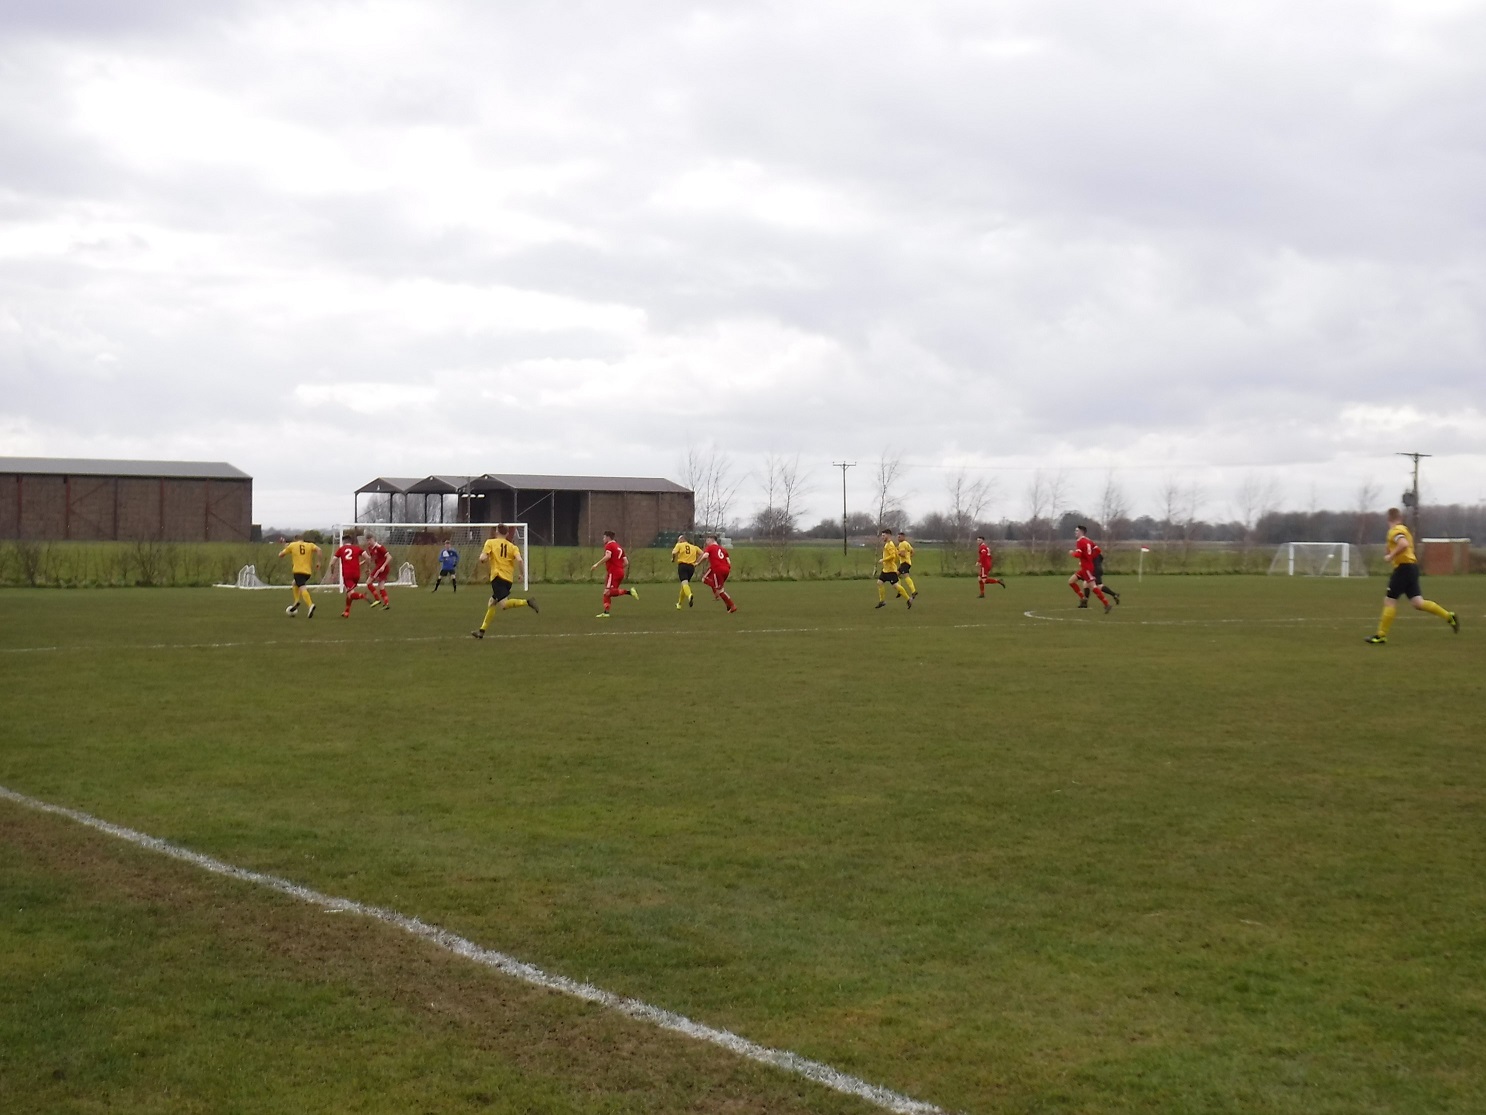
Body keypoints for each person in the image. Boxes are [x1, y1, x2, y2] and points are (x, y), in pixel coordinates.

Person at [1366, 507, 1458, 644]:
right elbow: (1405, 544)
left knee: (1390, 600)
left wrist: (1391, 555)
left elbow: (1403, 544)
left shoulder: (1395, 531)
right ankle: (1448, 616)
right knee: (1418, 603)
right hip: (1412, 567)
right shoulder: (1404, 529)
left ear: (1388, 519)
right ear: (1400, 518)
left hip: (1403, 568)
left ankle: (1381, 635)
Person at [471, 524, 538, 638]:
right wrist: (521, 574)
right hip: (508, 580)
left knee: (504, 605)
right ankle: (481, 632)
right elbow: (520, 561)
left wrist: (484, 559)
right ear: (507, 534)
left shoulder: (490, 542)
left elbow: (482, 558)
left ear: (496, 531)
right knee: (492, 602)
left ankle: (527, 602)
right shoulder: (513, 547)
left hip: (497, 577)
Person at [590, 530, 638, 618]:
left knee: (607, 592)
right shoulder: (619, 547)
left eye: (604, 537)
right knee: (608, 592)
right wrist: (619, 568)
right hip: (620, 572)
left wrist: (596, 564)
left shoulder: (609, 545)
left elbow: (608, 556)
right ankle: (606, 612)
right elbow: (626, 562)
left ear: (608, 538)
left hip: (613, 572)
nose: (603, 539)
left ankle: (629, 592)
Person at [1069, 525, 1114, 613]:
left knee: (1093, 586)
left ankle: (1106, 604)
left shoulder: (1080, 541)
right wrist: (1089, 557)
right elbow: (1098, 550)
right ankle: (1083, 598)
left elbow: (1078, 554)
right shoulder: (1088, 540)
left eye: (1077, 531)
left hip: (1087, 568)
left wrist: (1072, 553)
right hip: (1085, 567)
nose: (1075, 532)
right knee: (1071, 581)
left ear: (1081, 532)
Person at [278, 534, 321, 618]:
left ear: (295, 539)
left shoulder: (293, 545)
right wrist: (319, 562)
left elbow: (281, 555)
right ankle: (296, 601)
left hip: (298, 571)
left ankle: (310, 605)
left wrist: (283, 551)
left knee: (302, 587)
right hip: (308, 572)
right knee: (294, 583)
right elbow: (319, 550)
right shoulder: (309, 545)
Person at [697, 533, 738, 613]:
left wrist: (698, 563)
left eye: (707, 540)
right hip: (726, 569)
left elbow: (705, 556)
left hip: (718, 570)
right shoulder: (723, 549)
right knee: (705, 579)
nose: (706, 541)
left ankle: (732, 606)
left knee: (720, 590)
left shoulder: (710, 547)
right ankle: (719, 596)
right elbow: (729, 562)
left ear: (712, 540)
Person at [332, 536, 370, 618]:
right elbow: (367, 557)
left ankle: (362, 596)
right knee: (349, 593)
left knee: (351, 593)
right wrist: (367, 567)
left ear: (343, 541)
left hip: (347, 574)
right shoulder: (357, 548)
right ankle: (346, 612)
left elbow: (332, 562)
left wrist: (332, 572)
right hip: (356, 574)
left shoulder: (341, 549)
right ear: (351, 541)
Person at [875, 528, 912, 609]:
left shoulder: (890, 545)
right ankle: (882, 601)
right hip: (886, 569)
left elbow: (893, 556)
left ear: (888, 535)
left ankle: (908, 599)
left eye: (883, 536)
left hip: (891, 570)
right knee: (879, 583)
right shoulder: (887, 544)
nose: (882, 537)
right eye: (882, 536)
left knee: (895, 586)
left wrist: (883, 560)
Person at [671, 532, 703, 609]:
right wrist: (697, 562)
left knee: (684, 583)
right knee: (684, 585)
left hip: (683, 566)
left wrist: (673, 559)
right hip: (691, 567)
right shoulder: (694, 547)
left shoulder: (679, 545)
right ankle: (679, 604)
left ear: (681, 540)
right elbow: (703, 554)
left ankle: (689, 595)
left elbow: (674, 552)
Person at [1090, 537, 1120, 605]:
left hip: (1095, 570)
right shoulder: (1097, 552)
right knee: (1089, 584)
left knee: (1098, 586)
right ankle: (1084, 601)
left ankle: (1114, 595)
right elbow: (1101, 558)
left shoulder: (1090, 552)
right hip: (1099, 569)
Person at [364, 537, 392, 609]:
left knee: (368, 582)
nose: (369, 542)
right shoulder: (370, 548)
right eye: (367, 540)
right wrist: (364, 564)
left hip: (381, 568)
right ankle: (386, 604)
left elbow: (389, 557)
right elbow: (371, 558)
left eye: (370, 540)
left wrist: (383, 566)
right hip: (379, 567)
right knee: (381, 586)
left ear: (374, 540)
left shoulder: (379, 547)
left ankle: (377, 599)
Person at [895, 531, 918, 599]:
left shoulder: (902, 544)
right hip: (906, 563)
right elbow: (913, 551)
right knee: (896, 575)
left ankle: (913, 591)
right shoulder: (907, 543)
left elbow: (903, 554)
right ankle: (900, 590)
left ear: (903, 537)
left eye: (899, 537)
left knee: (906, 576)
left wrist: (897, 552)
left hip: (904, 563)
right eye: (898, 537)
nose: (898, 538)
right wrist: (909, 557)